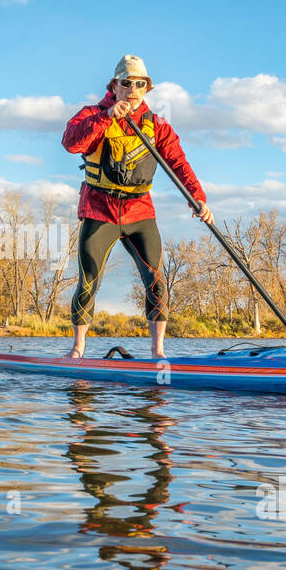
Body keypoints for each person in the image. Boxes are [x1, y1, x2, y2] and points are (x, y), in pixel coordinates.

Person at [62, 54, 213, 360]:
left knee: (156, 280)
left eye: (140, 84)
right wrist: (108, 118)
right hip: (99, 211)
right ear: (114, 86)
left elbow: (178, 164)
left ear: (146, 89)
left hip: (139, 213)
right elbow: (71, 143)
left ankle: (158, 354)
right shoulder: (92, 114)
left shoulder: (157, 126)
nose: (133, 89)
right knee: (88, 280)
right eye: (126, 83)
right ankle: (78, 350)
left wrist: (197, 198)